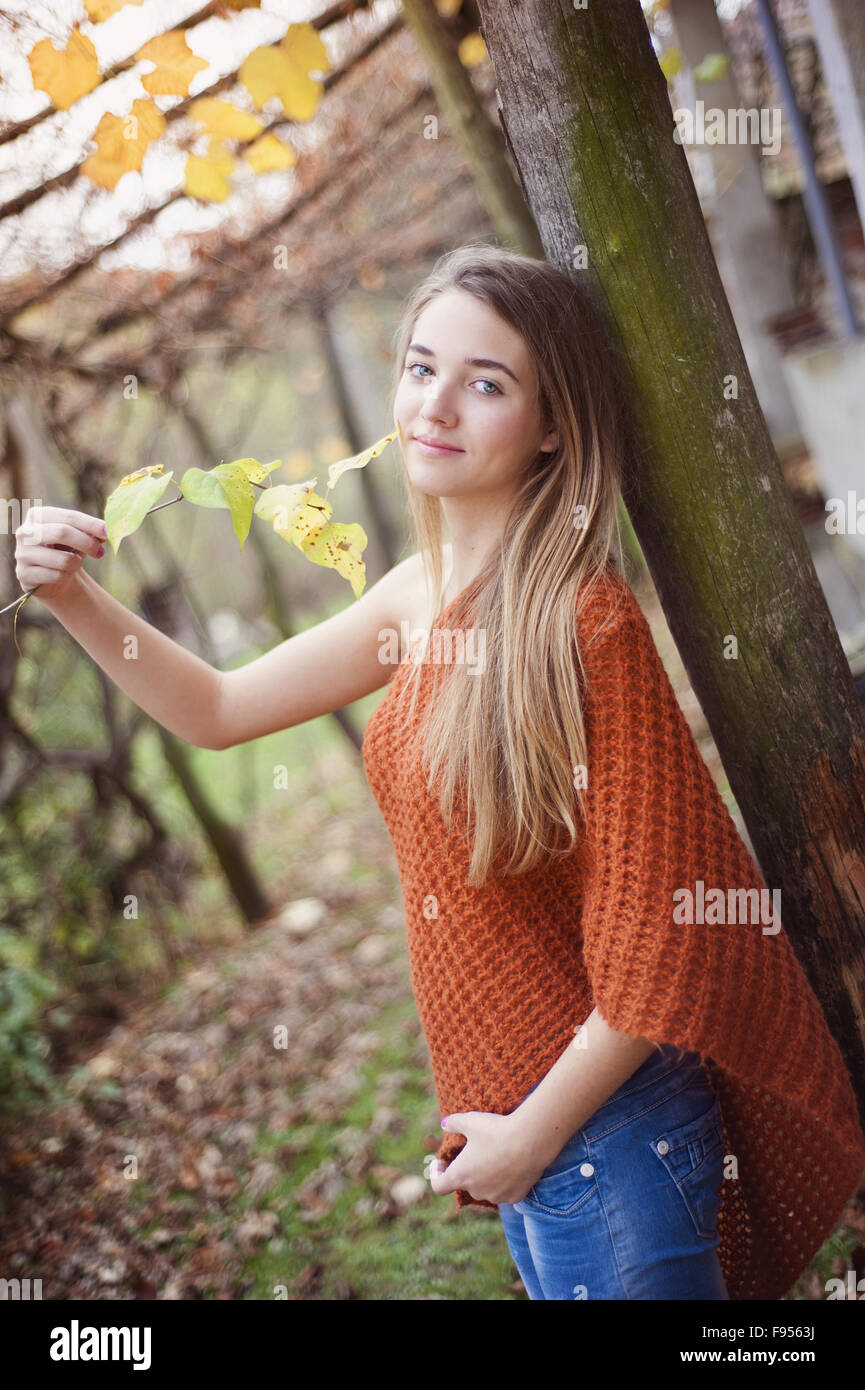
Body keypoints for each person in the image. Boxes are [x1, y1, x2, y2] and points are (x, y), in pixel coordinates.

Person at [14, 242, 865, 1302]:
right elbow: (219, 710)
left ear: (554, 425)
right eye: (422, 367)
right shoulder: (415, 595)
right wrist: (75, 601)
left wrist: (530, 1136)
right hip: (533, 1147)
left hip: (607, 1140)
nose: (437, 404)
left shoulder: (579, 618)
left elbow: (664, 938)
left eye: (486, 382)